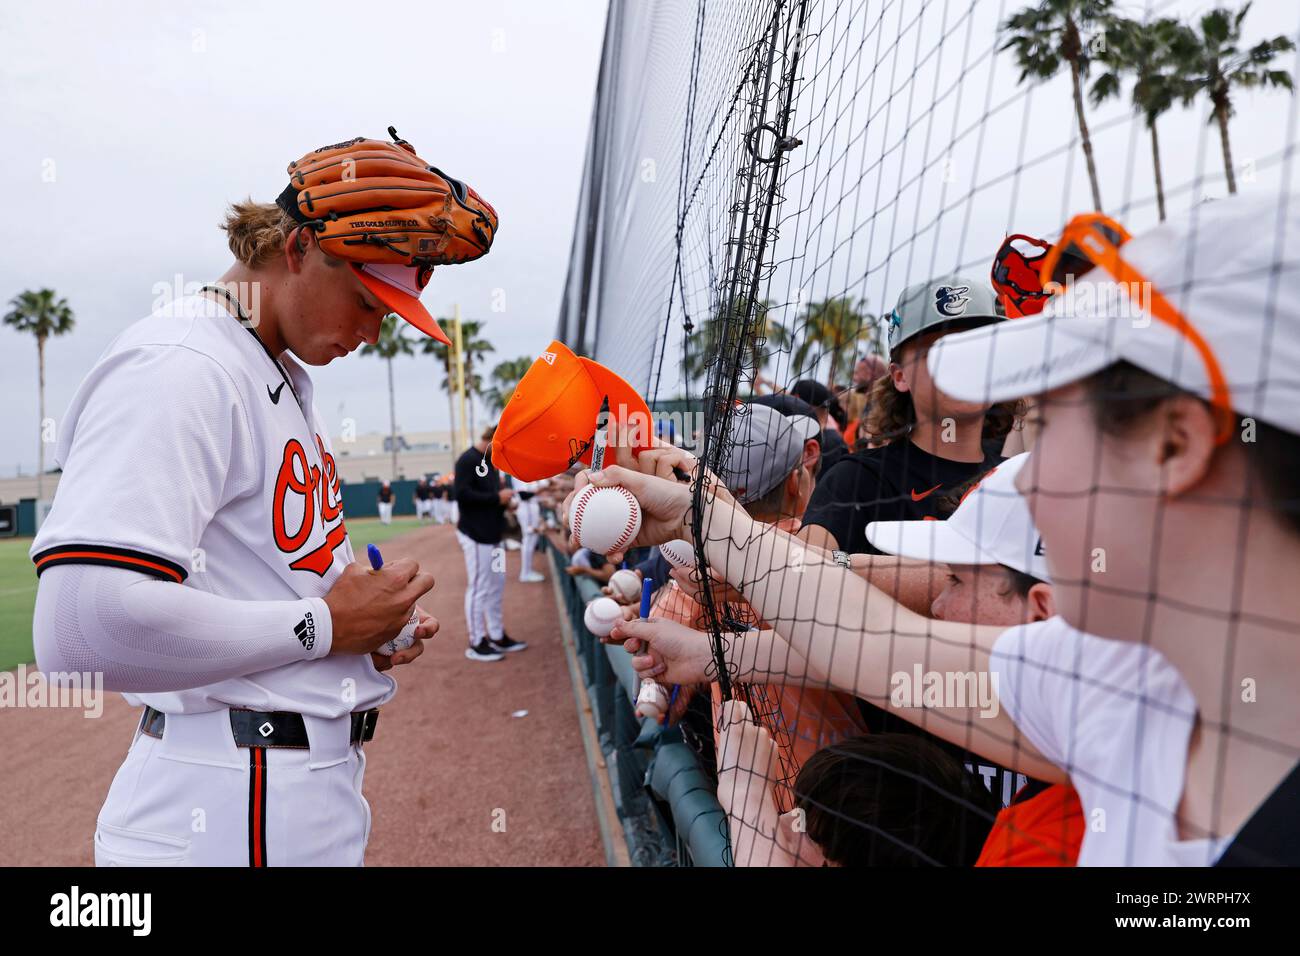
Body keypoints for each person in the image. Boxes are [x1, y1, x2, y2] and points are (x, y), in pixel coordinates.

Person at [583, 195, 1300, 865]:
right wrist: (705, 524)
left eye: (1051, 431)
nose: (1026, 484)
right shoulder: (1138, 682)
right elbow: (887, 649)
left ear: (1172, 447)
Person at [26, 126, 498, 866]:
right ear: (298, 248)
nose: (374, 333)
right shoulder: (182, 366)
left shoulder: (268, 371)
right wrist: (320, 627)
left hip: (279, 790)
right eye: (366, 300)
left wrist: (364, 626)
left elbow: (268, 585)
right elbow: (79, 629)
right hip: (225, 804)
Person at [798, 275, 1012, 556]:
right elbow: (800, 571)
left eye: (979, 348)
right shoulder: (858, 480)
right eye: (941, 352)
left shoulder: (1018, 478)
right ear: (900, 377)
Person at [454, 425, 527, 661]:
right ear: (491, 440)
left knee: (496, 584)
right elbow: (462, 495)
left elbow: (492, 494)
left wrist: (504, 502)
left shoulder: (491, 461)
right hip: (476, 535)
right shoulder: (467, 460)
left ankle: (496, 635)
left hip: (494, 533)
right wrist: (497, 497)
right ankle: (476, 642)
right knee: (479, 587)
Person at [514, 478, 545, 582]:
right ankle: (525, 573)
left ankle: (528, 571)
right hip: (526, 509)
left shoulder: (527, 473)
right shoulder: (518, 474)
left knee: (531, 541)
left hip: (531, 508)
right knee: (528, 540)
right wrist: (540, 490)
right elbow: (523, 495)